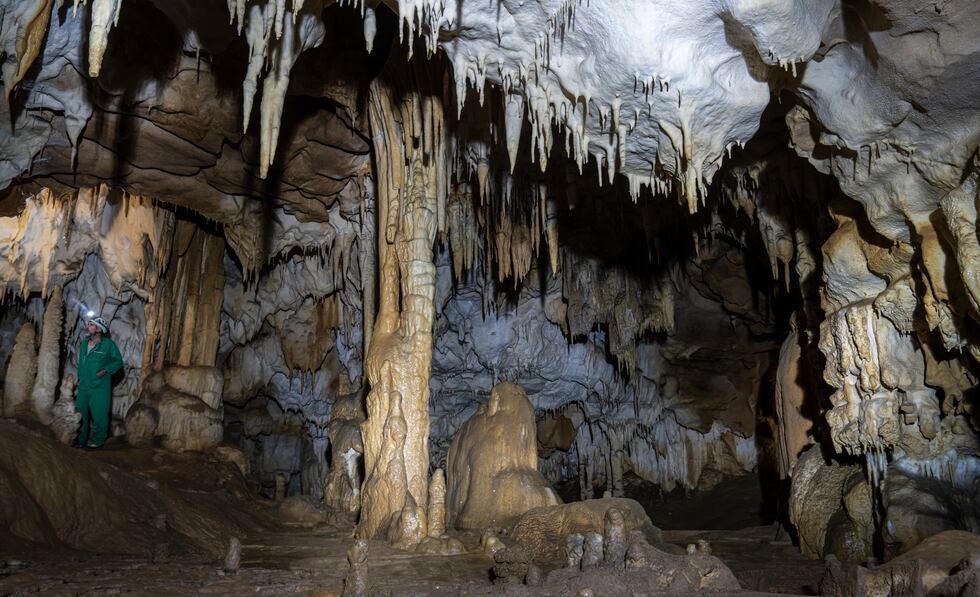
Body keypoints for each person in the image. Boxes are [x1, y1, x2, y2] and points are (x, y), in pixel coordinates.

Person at [75, 316, 123, 449]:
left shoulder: (108, 345)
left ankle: (97, 442)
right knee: (80, 414)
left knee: (99, 415)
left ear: (99, 329)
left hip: (99, 387)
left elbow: (118, 362)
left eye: (91, 325)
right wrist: (79, 377)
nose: (87, 327)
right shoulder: (84, 344)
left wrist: (106, 370)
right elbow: (81, 363)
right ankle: (80, 440)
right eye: (88, 325)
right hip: (84, 386)